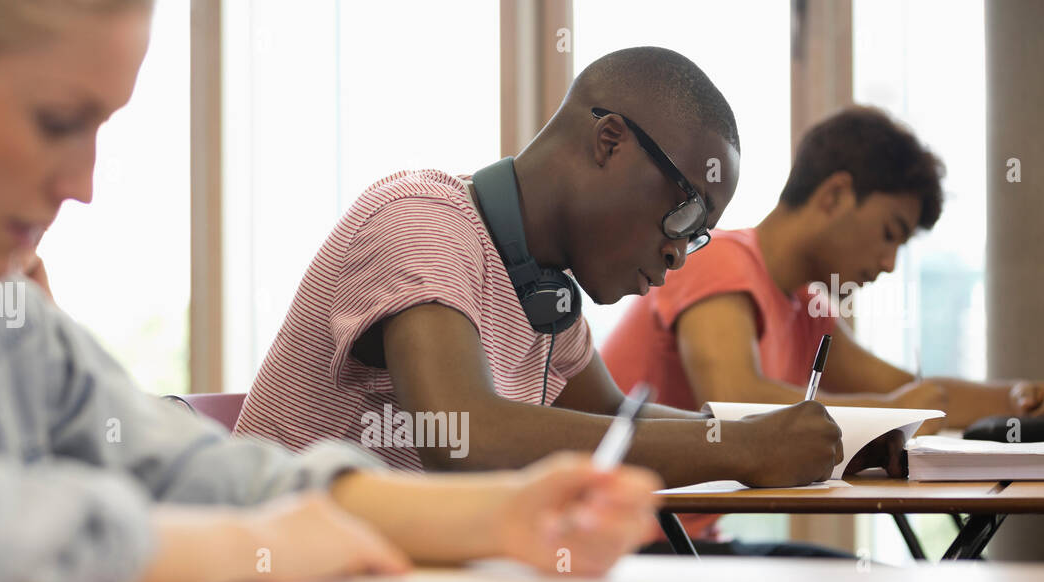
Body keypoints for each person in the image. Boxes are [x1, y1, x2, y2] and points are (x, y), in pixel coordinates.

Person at [0, 0, 661, 582]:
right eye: (56, 122)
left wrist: (497, 519)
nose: (81, 185)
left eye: (103, 129)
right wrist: (254, 547)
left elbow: (189, 467)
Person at [234, 46, 855, 492]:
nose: (677, 250)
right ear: (610, 141)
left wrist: (792, 437)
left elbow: (614, 416)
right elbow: (464, 436)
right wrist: (744, 450)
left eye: (698, 236)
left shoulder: (545, 290)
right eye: (685, 210)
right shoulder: (421, 219)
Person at [600, 105, 1044, 548]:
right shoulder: (719, 259)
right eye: (889, 233)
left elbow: (914, 391)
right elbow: (735, 401)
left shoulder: (807, 306)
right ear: (835, 195)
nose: (887, 264)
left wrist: (1025, 398)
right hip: (626, 548)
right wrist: (894, 409)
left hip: (691, 543)